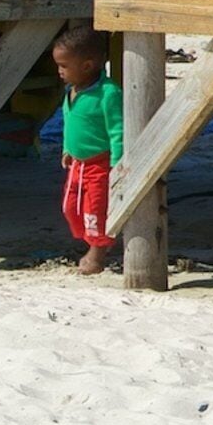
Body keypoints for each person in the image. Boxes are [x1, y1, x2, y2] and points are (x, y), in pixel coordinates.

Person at [53, 27, 126, 274]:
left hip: (99, 163)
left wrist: (117, 162)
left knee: (95, 209)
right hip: (77, 163)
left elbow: (118, 130)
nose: (59, 71)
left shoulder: (108, 93)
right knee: (70, 206)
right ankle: (89, 241)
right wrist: (67, 148)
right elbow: (70, 122)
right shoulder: (71, 91)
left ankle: (97, 253)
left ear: (86, 66)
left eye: (64, 66)